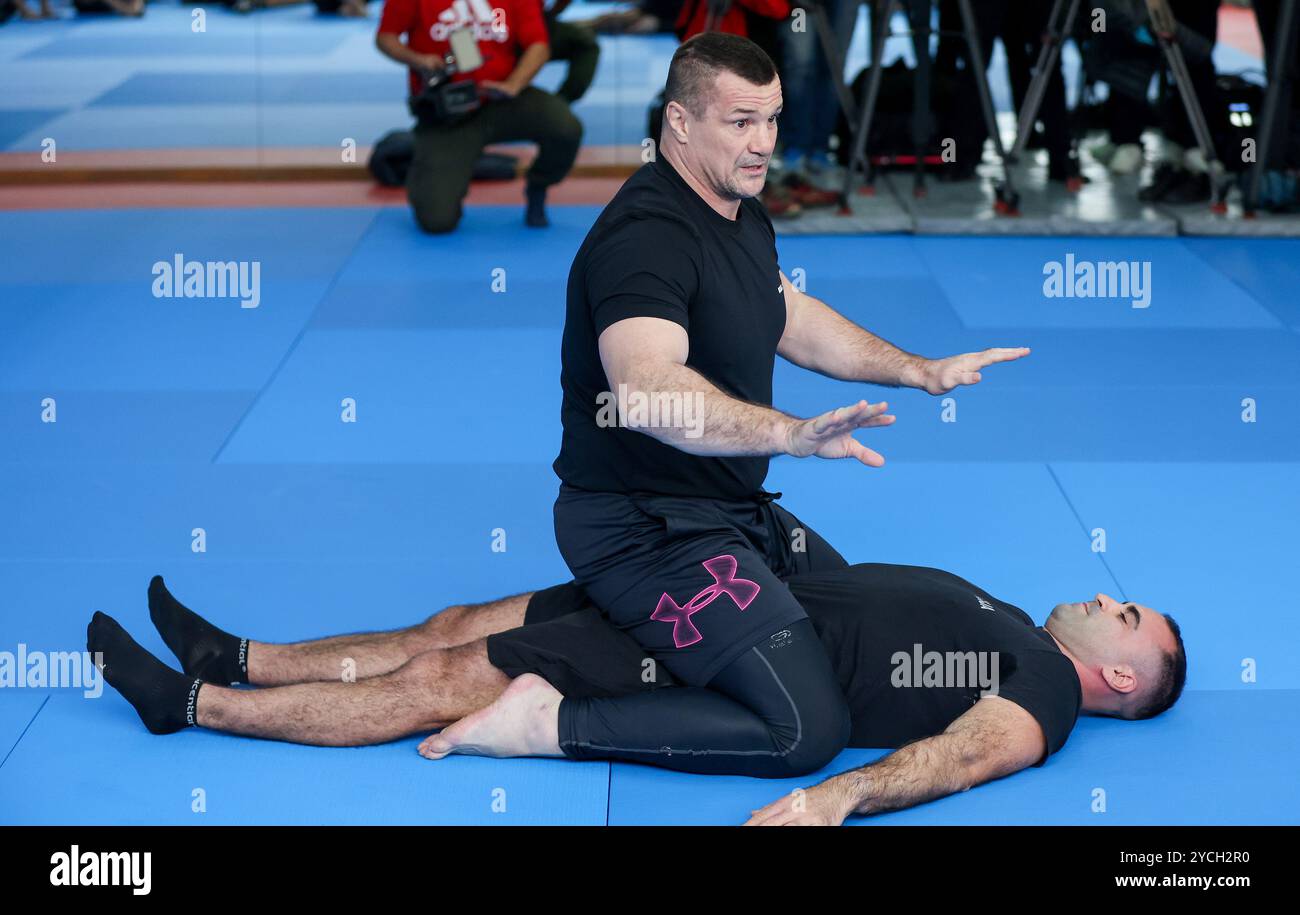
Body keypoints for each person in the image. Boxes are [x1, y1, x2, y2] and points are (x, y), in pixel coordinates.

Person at [544, 30, 1030, 777]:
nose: (763, 142)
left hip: (728, 509)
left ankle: (632, 638)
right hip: (642, 522)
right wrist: (794, 434)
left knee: (857, 628)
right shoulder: (645, 237)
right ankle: (544, 721)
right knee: (805, 727)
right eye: (740, 121)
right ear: (678, 121)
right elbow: (642, 392)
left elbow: (789, 316)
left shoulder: (737, 204)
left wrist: (916, 369)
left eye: (771, 120)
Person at [86, 566, 1187, 825]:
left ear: (1120, 679)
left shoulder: (1038, 683)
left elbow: (971, 751)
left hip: (718, 647)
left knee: (442, 681)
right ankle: (244, 654)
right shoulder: (1001, 615)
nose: (1104, 597)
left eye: (1125, 617)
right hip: (710, 582)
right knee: (452, 625)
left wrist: (838, 800)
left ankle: (193, 706)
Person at [375, 0, 582, 231]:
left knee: (565, 126)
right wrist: (418, 60)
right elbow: (385, 37)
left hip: (500, 99)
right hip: (446, 112)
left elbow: (539, 46)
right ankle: (429, 156)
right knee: (436, 221)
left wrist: (514, 84)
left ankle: (539, 185)